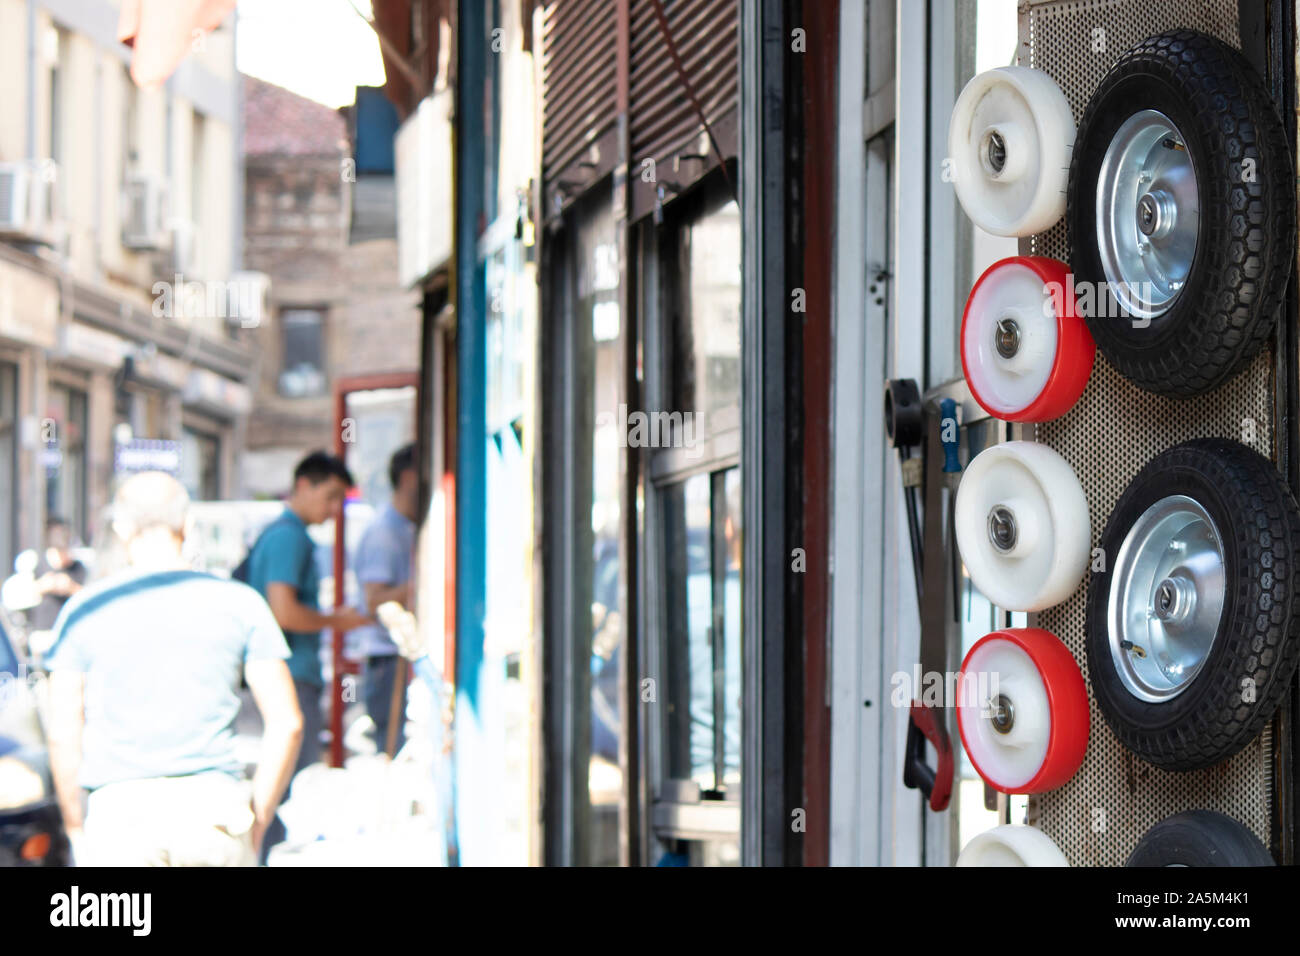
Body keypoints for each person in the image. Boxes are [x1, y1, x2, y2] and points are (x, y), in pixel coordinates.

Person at [44, 472, 303, 866]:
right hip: (215, 815)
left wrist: (77, 826)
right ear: (189, 524)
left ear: (122, 528)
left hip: (120, 818)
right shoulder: (240, 604)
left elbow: (64, 733)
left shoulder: (85, 611)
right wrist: (258, 817)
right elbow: (288, 723)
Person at [242, 450, 370, 862]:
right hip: (289, 680)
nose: (335, 510)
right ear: (303, 486)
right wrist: (335, 620)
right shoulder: (288, 537)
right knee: (285, 790)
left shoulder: (283, 534)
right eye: (330, 497)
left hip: (287, 677)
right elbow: (284, 611)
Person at [352, 444, 418, 755]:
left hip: (400, 657)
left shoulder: (405, 528)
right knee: (393, 749)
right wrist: (420, 586)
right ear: (408, 477)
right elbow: (374, 600)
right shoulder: (384, 533)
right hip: (388, 660)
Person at [29, 517, 87, 632]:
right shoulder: (37, 565)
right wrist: (44, 585)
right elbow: (21, 595)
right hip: (43, 631)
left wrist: (70, 587)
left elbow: (88, 595)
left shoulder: (78, 568)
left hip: (70, 631)